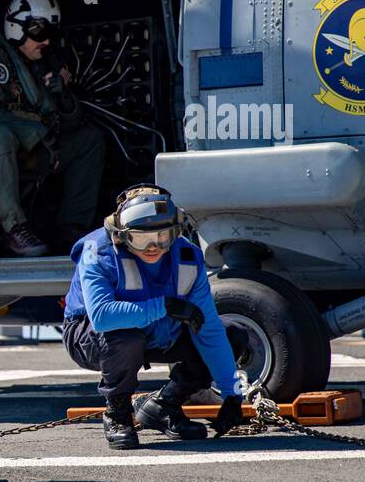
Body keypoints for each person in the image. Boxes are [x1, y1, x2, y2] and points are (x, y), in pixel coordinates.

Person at [61, 185, 248, 449]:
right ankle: (118, 413)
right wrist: (164, 306)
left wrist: (232, 394)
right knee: (125, 336)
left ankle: (164, 405)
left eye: (163, 236)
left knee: (233, 334)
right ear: (122, 234)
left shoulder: (186, 256)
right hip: (91, 335)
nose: (153, 247)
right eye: (141, 238)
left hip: (161, 329)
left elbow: (210, 330)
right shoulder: (97, 252)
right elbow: (102, 317)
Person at [0, 0, 105, 257]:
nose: (45, 40)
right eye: (38, 32)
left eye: (49, 33)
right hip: (12, 155)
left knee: (89, 140)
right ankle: (14, 230)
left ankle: (71, 228)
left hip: (39, 151)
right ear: (16, 27)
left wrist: (63, 96)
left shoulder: (40, 64)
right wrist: (36, 135)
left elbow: (69, 124)